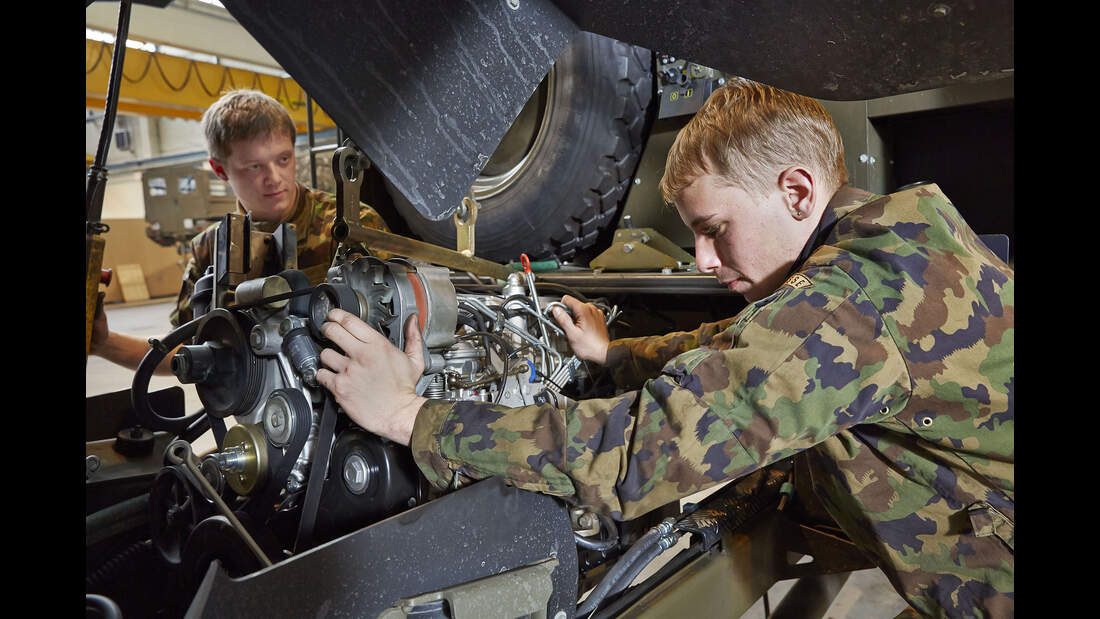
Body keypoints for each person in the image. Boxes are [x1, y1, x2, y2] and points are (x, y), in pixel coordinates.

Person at [315, 79, 1014, 618]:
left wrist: (411, 415)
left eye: (714, 228)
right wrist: (614, 355)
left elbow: (641, 453)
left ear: (796, 190)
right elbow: (736, 344)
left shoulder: (849, 305)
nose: (704, 259)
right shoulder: (885, 243)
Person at [89, 89, 390, 373]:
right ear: (220, 170)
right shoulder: (212, 249)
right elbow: (186, 351)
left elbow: (404, 324)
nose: (274, 178)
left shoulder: (349, 227)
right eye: (254, 167)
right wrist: (104, 344)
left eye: (283, 159)